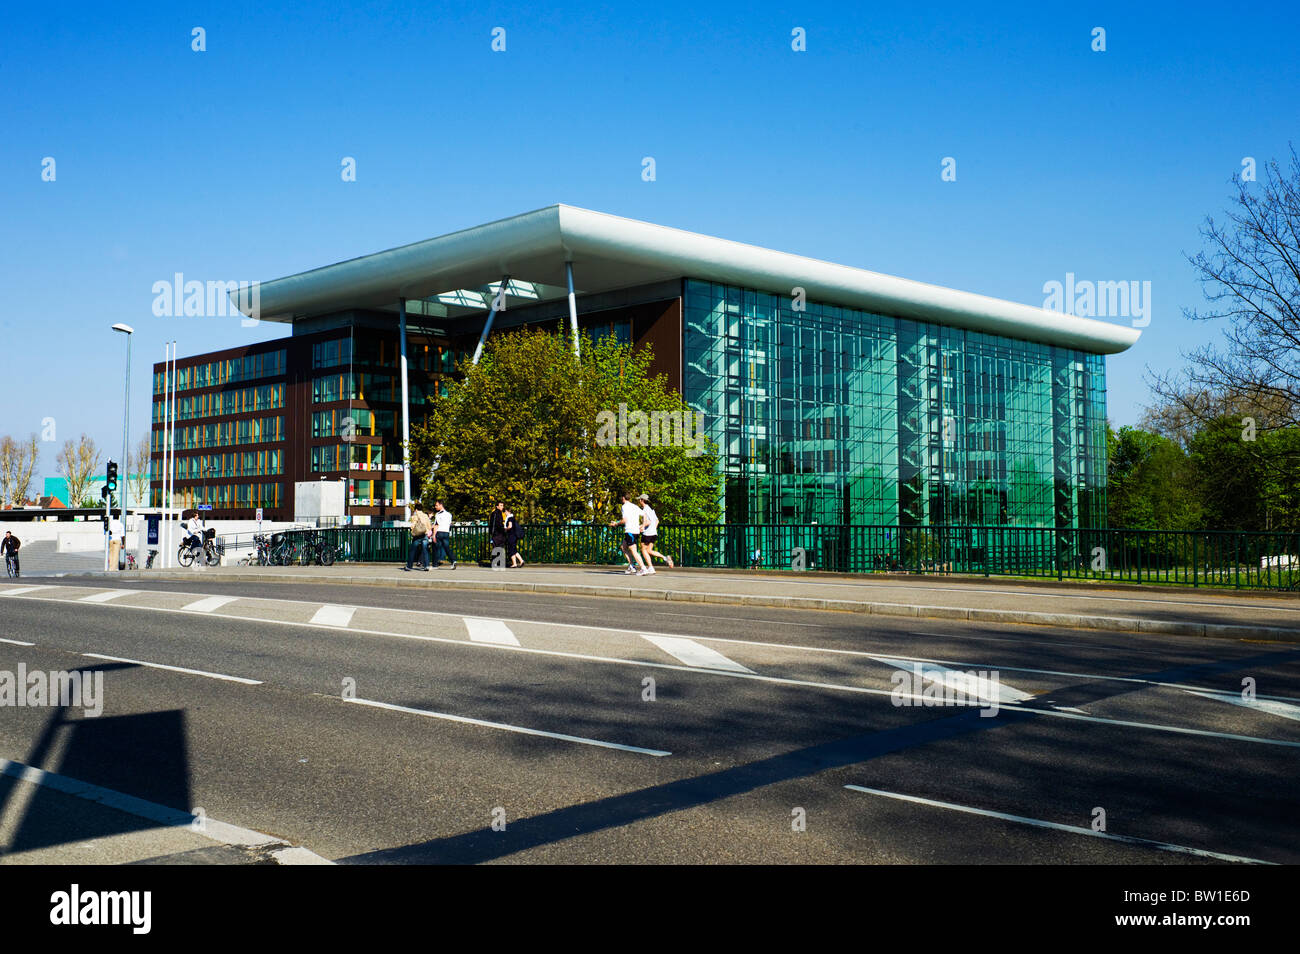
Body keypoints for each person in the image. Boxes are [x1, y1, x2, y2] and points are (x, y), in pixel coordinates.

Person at [608, 491, 647, 575]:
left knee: (633, 551)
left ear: (623, 498)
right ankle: (632, 566)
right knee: (623, 547)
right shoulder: (635, 506)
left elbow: (625, 520)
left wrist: (616, 523)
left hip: (630, 531)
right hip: (635, 531)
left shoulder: (624, 506)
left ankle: (643, 568)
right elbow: (644, 514)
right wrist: (642, 525)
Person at [636, 494, 674, 572]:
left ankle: (650, 567)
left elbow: (648, 522)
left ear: (642, 500)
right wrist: (653, 529)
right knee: (649, 550)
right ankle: (665, 558)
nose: (639, 501)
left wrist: (641, 527)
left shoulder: (645, 510)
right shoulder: (651, 510)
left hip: (647, 533)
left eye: (639, 500)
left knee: (643, 550)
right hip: (653, 533)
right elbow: (657, 521)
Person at [403, 504, 431, 571]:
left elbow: (413, 526)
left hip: (417, 536)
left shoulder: (415, 516)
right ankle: (426, 566)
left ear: (416, 509)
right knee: (425, 550)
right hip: (425, 534)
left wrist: (412, 531)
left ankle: (409, 566)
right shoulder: (425, 516)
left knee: (412, 550)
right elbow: (429, 526)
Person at [431, 500, 457, 569]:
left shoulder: (438, 514)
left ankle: (435, 565)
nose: (435, 507)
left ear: (441, 505)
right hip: (446, 532)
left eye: (436, 505)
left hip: (439, 532)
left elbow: (436, 525)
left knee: (436, 548)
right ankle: (453, 560)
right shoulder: (449, 514)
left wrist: (433, 535)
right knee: (447, 548)